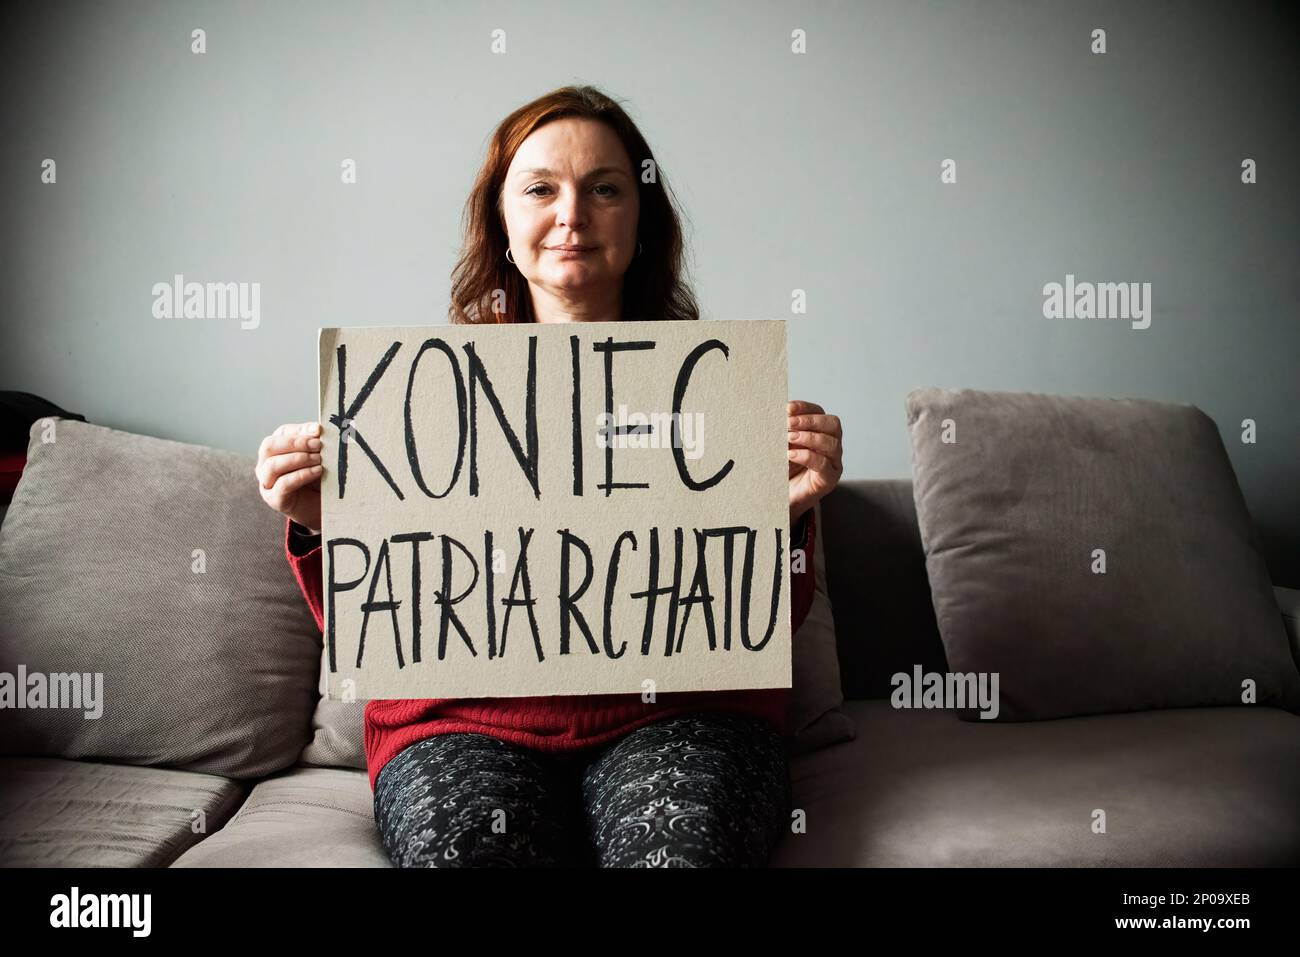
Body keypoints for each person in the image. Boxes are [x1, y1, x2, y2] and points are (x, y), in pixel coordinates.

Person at [255, 85, 844, 867]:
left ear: (643, 219)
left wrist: (789, 513)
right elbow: (389, 624)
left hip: (683, 715)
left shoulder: (719, 395)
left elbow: (750, 622)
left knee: (681, 854)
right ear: (501, 218)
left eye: (605, 188)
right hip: (462, 722)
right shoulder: (418, 401)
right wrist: (321, 518)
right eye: (540, 189)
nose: (573, 214)